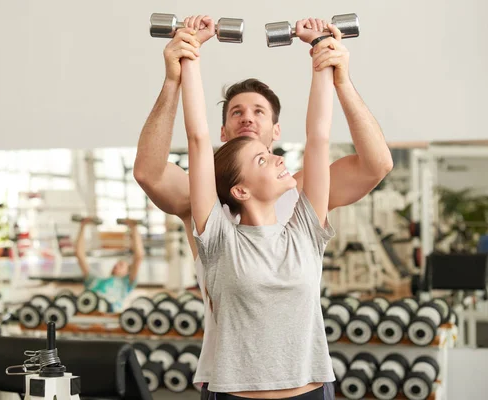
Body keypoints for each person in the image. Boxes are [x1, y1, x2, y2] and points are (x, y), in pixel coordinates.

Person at [133, 14, 393, 399]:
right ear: (224, 131)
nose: (248, 118)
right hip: (232, 384)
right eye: (236, 112)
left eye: (259, 112)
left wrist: (331, 65)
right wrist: (180, 70)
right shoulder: (208, 210)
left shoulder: (303, 201)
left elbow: (341, 148)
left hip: (307, 384)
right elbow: (175, 155)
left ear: (276, 133)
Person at [181, 15, 336, 399]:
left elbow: (318, 139)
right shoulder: (218, 239)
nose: (279, 159)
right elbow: (199, 139)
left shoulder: (305, 229)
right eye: (262, 161)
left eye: (272, 154)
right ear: (241, 191)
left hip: (310, 392)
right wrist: (190, 56)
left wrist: (320, 56)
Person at [74, 218, 144, 312]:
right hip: (86, 308)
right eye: (116, 264)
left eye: (121, 265)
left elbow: (138, 256)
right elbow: (79, 255)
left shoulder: (125, 283)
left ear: (128, 271)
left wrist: (134, 228)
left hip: (107, 311)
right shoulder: (94, 279)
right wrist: (83, 226)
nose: (116, 265)